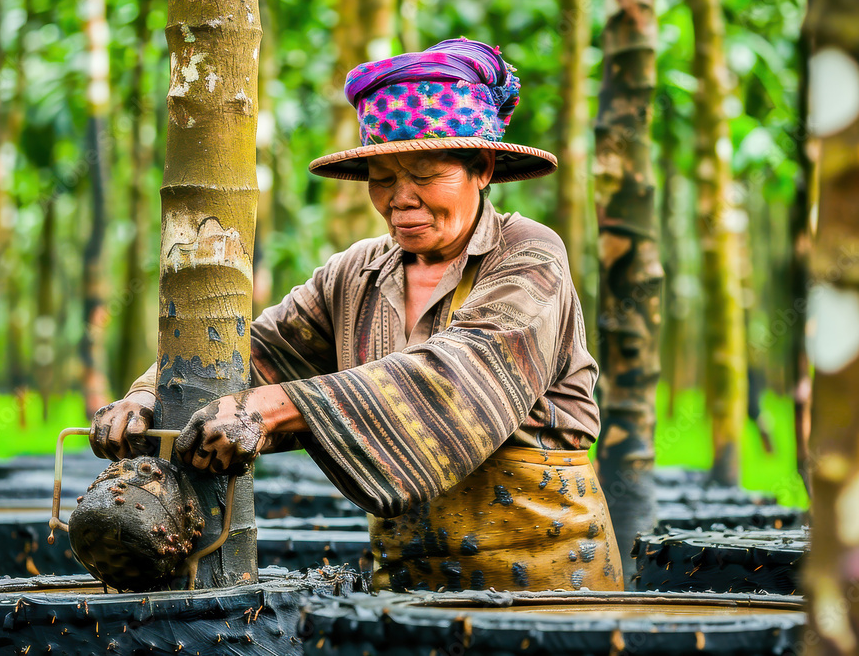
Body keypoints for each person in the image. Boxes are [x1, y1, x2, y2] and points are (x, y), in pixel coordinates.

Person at [90, 38, 623, 593]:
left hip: (549, 590)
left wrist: (275, 409)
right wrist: (150, 394)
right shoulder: (355, 273)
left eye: (425, 174)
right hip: (403, 594)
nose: (401, 198)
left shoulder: (530, 256)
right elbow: (261, 355)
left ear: (482, 167)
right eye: (384, 178)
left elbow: (458, 380)